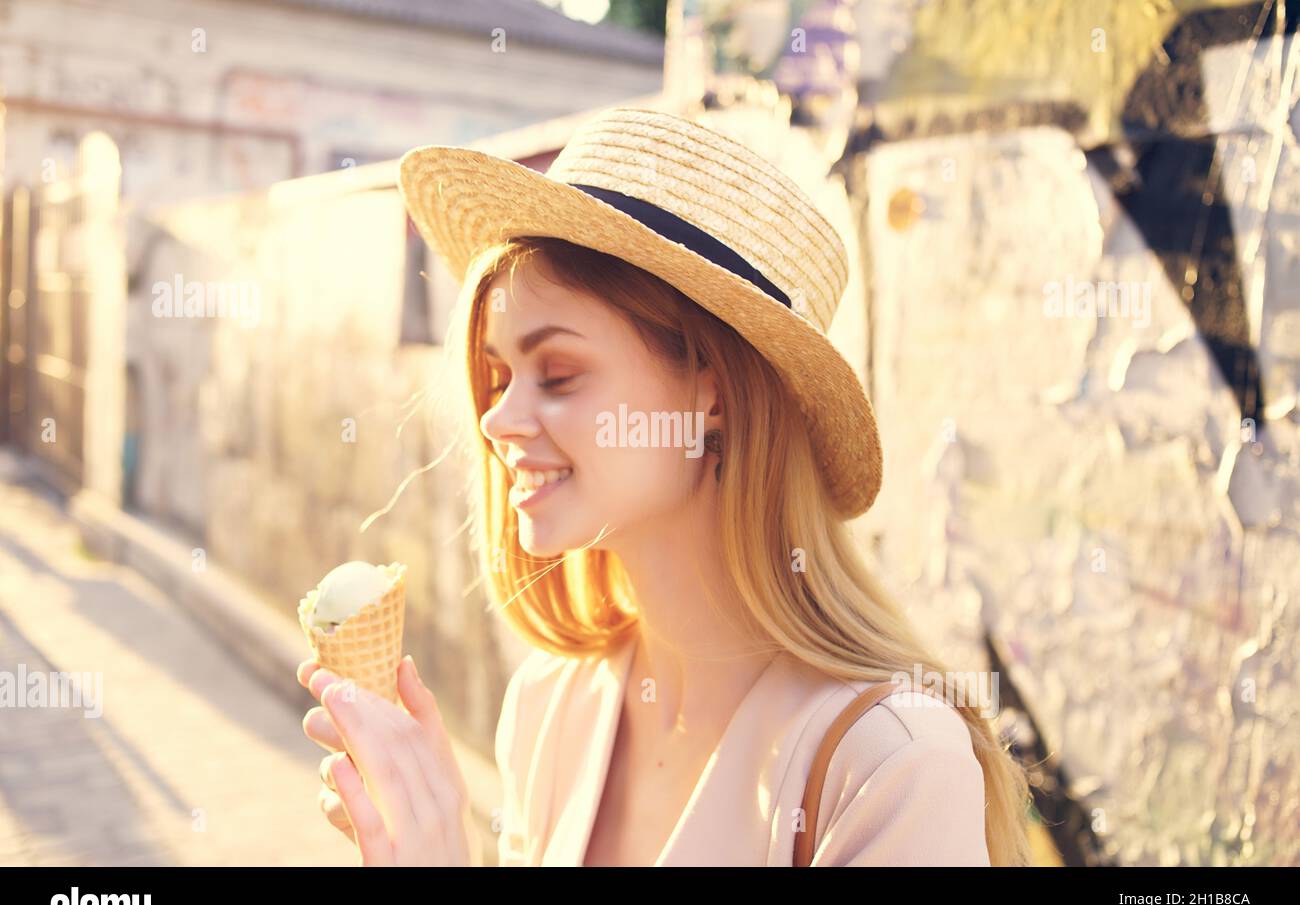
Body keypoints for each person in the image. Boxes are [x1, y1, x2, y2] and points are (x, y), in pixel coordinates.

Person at [297, 107, 1033, 866]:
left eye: (558, 374)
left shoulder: (891, 764)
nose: (498, 419)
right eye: (500, 374)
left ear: (709, 394)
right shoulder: (548, 706)